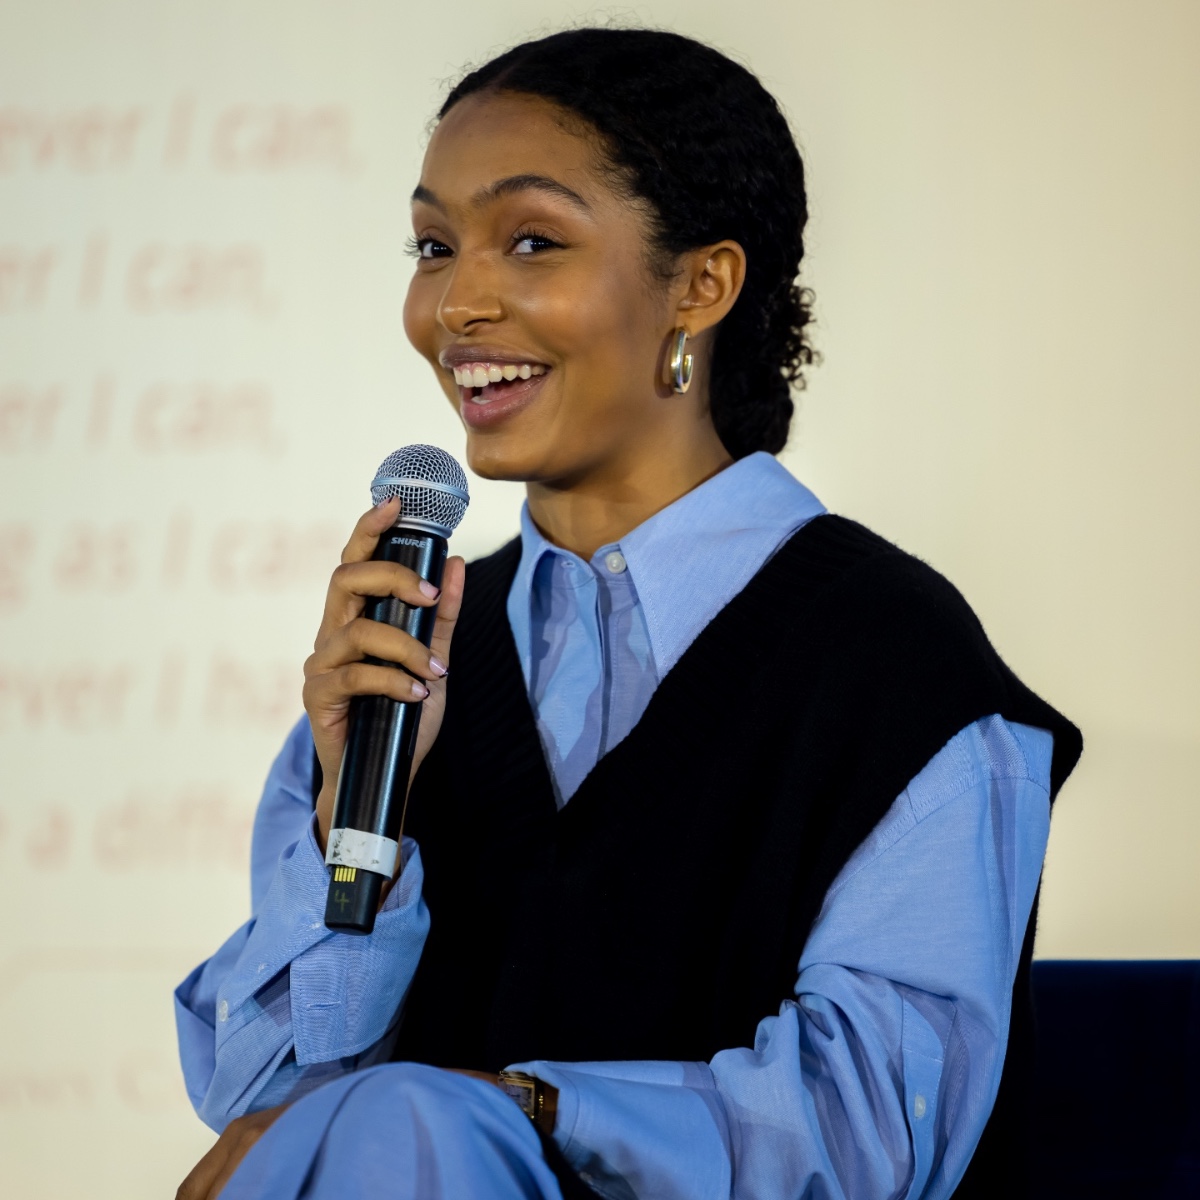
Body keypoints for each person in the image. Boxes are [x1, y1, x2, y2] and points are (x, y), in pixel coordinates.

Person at [174, 27, 1081, 1200]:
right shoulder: (416, 652)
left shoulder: (899, 665)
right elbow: (270, 1113)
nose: (456, 302)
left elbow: (866, 1140)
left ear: (700, 285)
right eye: (435, 245)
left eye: (532, 240)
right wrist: (361, 830)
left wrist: (518, 1110)